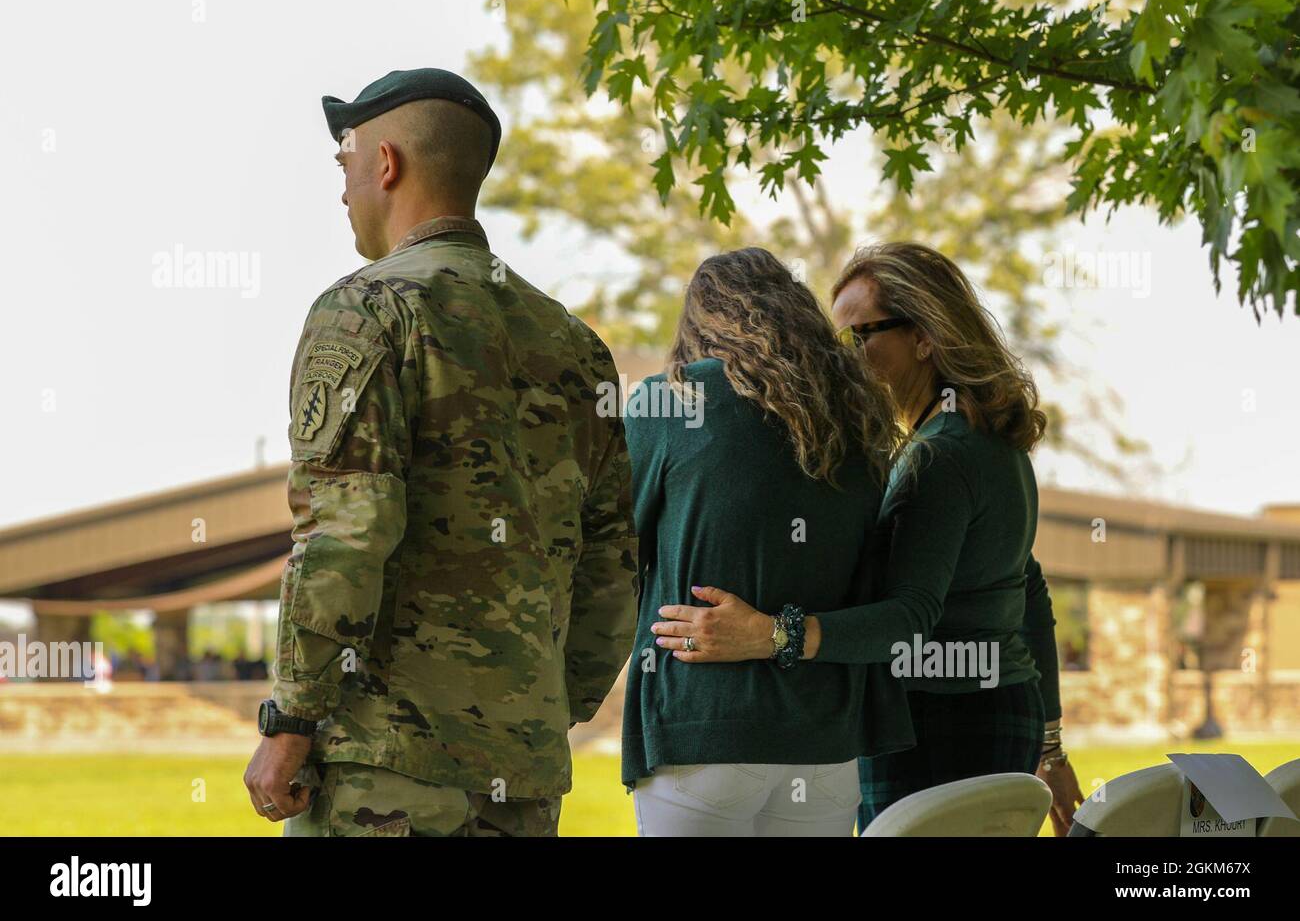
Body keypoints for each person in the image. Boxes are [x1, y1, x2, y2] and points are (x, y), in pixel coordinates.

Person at [242, 68, 639, 837]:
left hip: (384, 770)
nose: (343, 189)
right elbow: (614, 561)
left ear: (385, 164)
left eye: (345, 164)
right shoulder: (576, 345)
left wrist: (291, 717)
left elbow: (346, 534)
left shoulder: (366, 308)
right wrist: (538, 707)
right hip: (520, 778)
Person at [653, 242, 1084, 835]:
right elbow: (1030, 592)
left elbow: (910, 615)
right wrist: (1051, 740)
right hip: (1002, 708)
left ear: (925, 336)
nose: (848, 357)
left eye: (862, 336)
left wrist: (768, 634)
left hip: (933, 721)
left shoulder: (939, 457)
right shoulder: (993, 446)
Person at [623, 247, 914, 836]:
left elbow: (608, 551)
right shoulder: (859, 424)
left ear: (700, 324)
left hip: (701, 730)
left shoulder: (673, 403)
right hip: (824, 749)